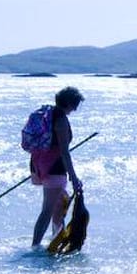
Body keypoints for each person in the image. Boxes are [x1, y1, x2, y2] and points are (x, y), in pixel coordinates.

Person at [30, 86, 84, 247]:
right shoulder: (60, 120)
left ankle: (56, 238)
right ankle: (35, 246)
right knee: (47, 209)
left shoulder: (48, 114)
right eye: (75, 104)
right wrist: (74, 178)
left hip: (40, 164)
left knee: (61, 202)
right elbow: (64, 153)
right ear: (69, 102)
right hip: (55, 168)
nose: (75, 108)